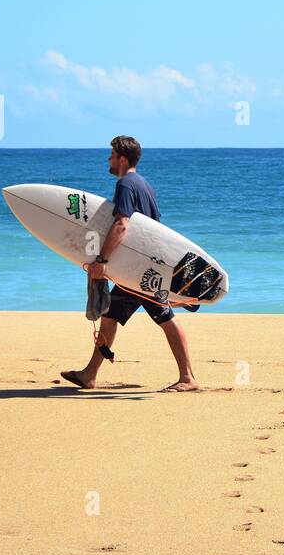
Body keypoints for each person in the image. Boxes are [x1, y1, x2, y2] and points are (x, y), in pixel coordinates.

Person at [60, 136, 199, 392]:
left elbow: (122, 224)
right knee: (110, 315)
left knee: (165, 316)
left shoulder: (125, 184)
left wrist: (102, 261)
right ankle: (89, 374)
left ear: (122, 159)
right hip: (141, 266)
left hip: (140, 272)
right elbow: (154, 227)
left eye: (111, 155)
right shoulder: (144, 185)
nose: (108, 160)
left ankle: (188, 378)